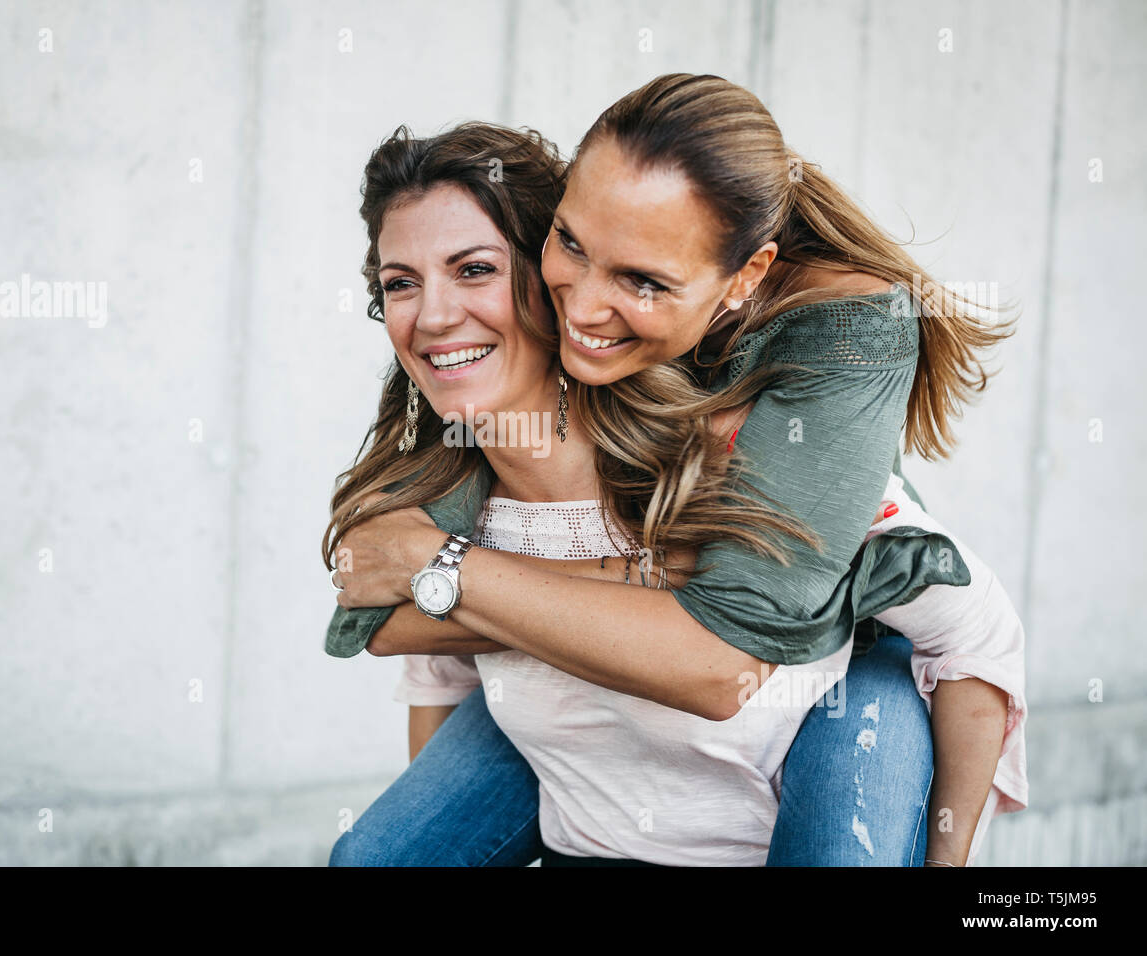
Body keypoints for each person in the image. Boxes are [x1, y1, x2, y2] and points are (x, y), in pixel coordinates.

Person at [326, 76, 1025, 865]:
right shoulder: (446, 496)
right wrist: (462, 571)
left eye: (476, 269)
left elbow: (958, 620)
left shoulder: (738, 455)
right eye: (400, 284)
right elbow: (403, 649)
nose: (587, 307)